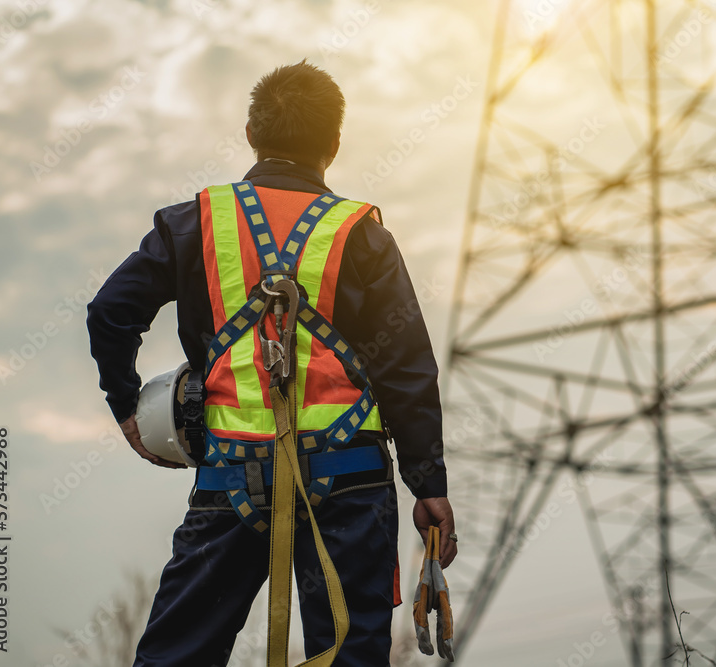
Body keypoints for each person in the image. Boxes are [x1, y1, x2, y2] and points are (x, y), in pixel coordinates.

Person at [87, 59, 456, 667]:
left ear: (252, 134)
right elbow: (408, 368)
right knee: (348, 656)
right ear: (334, 145)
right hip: (349, 481)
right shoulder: (361, 235)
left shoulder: (193, 222)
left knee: (176, 657)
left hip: (230, 481)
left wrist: (128, 407)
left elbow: (110, 313)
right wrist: (429, 484)